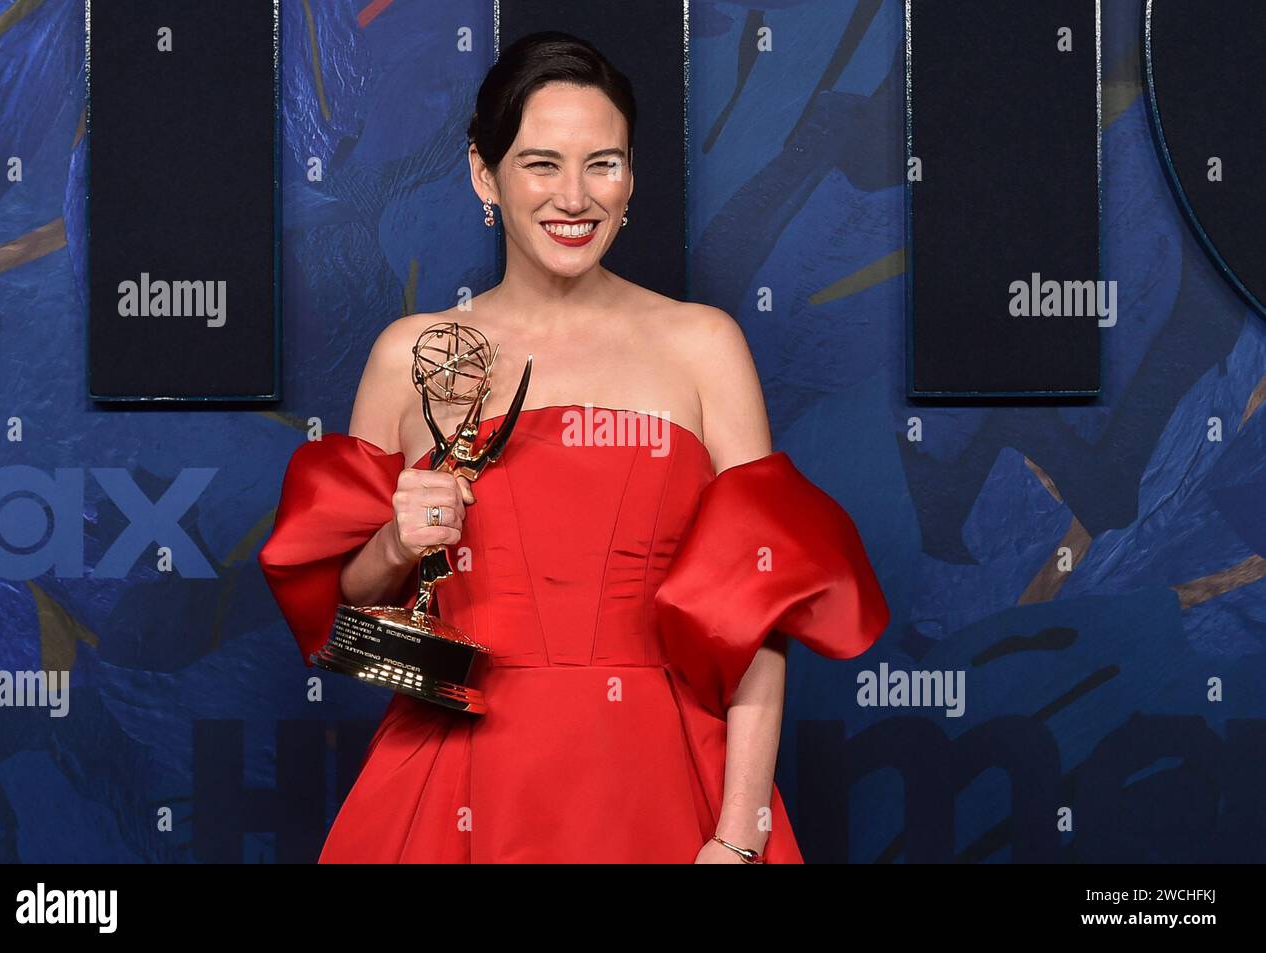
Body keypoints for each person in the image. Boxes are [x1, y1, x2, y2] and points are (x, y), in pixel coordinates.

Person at [258, 31, 889, 863]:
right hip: (454, 772)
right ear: (484, 174)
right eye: (541, 163)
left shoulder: (703, 345)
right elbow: (347, 626)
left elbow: (759, 616)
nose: (575, 196)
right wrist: (394, 541)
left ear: (631, 179)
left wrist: (739, 835)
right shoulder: (410, 354)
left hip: (660, 778)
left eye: (604, 163)